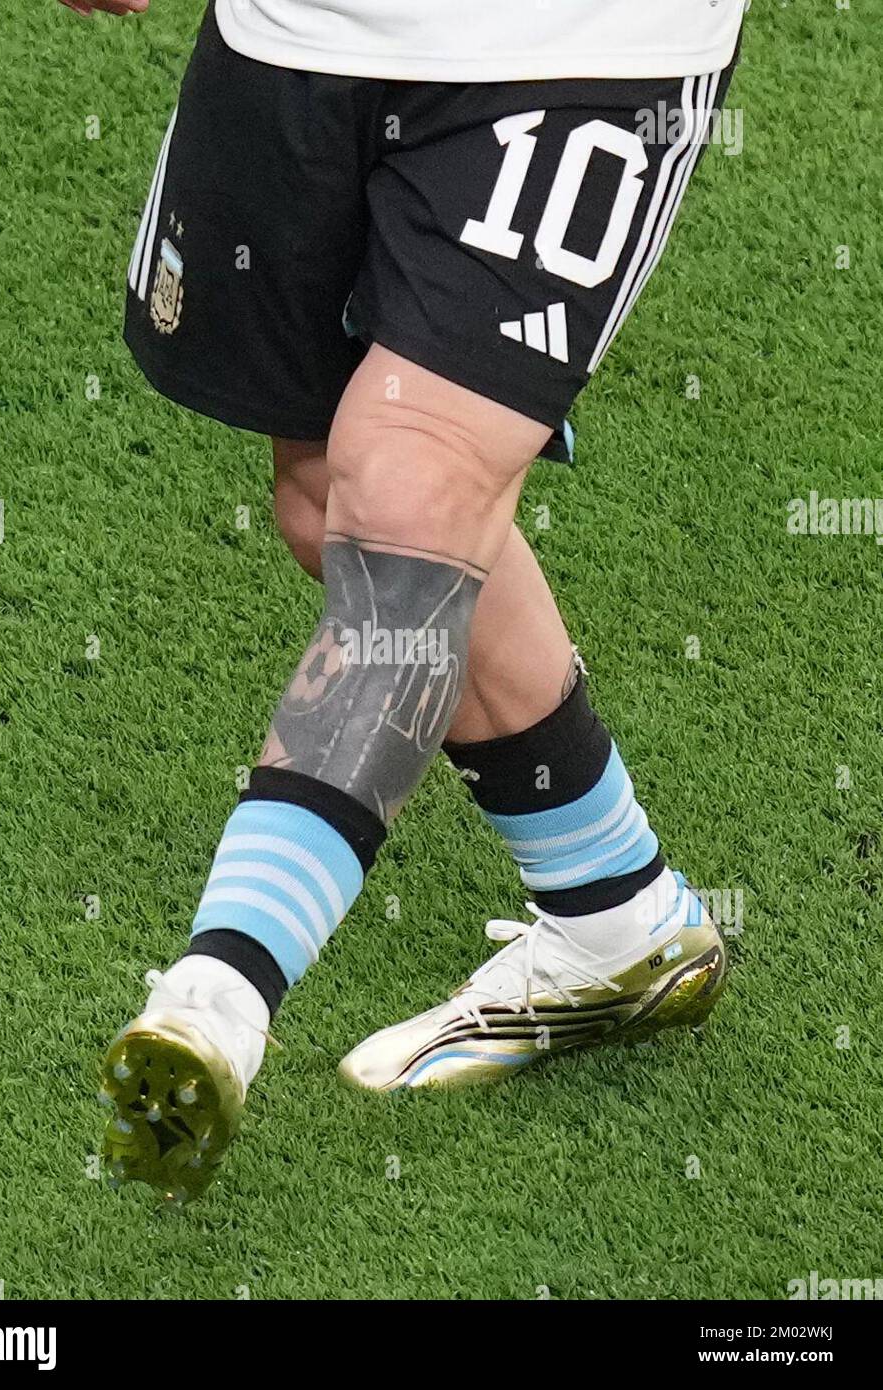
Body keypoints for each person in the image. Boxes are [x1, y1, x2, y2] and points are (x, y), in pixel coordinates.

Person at [60, 0, 745, 1203]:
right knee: (326, 492)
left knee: (408, 508)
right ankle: (616, 914)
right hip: (301, 34)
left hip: (577, 47)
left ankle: (219, 992)